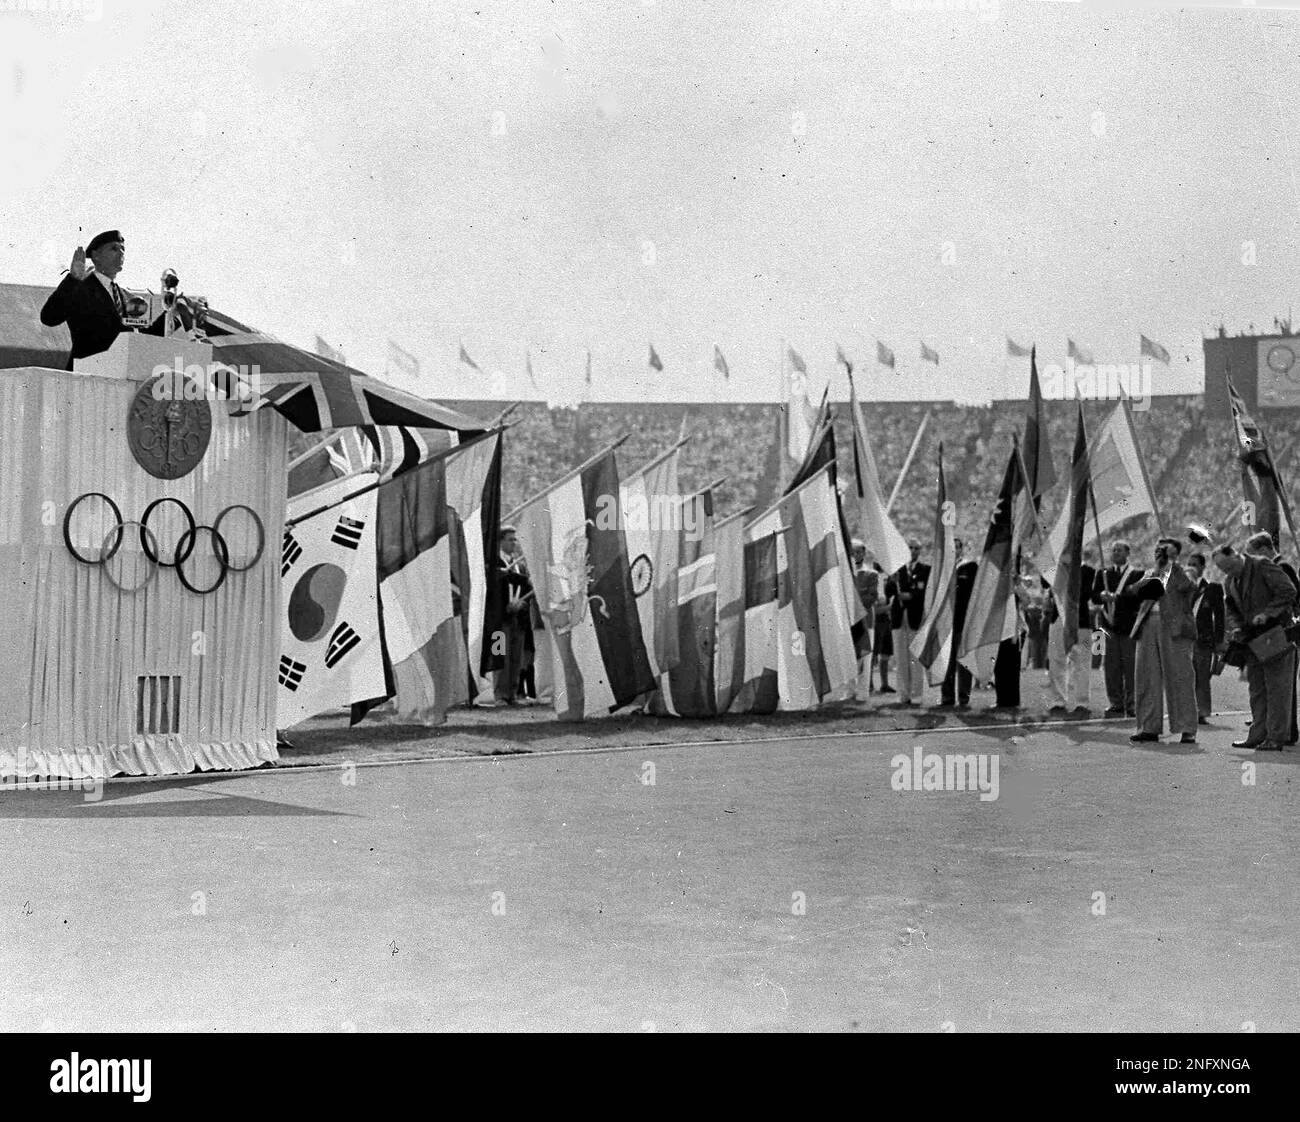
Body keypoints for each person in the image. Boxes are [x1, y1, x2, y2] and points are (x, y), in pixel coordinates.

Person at [1215, 543, 1298, 751]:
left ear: (1236, 554)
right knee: (1257, 690)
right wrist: (1236, 627)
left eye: (1229, 567)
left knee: (1278, 690)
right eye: (1223, 570)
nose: (1228, 572)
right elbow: (1231, 609)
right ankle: (1258, 734)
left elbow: (1288, 591)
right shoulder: (1229, 581)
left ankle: (1276, 737)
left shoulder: (1262, 565)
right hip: (1252, 642)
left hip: (1276, 637)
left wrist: (1268, 613)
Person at [1125, 538, 1198, 745]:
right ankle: (1148, 727)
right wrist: (1156, 571)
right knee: (1147, 677)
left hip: (1174, 628)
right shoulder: (1151, 572)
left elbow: (1188, 587)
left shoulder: (1184, 570)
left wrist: (1170, 566)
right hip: (1148, 624)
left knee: (1180, 678)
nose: (1159, 552)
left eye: (1164, 549)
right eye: (1157, 549)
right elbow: (1134, 590)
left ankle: (1186, 728)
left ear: (1175, 552)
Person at [39, 231, 135, 368]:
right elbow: (49, 317)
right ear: (96, 256)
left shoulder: (127, 297)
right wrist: (73, 279)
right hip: (85, 371)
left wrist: (175, 314)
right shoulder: (80, 287)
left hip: (117, 372)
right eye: (114, 248)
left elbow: (140, 337)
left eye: (123, 249)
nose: (121, 253)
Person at [1244, 530, 1299, 744]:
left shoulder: (1281, 566)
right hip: (1276, 633)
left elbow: (1292, 595)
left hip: (1282, 632)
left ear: (1265, 550)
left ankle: (1284, 732)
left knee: (1281, 688)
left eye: (1253, 554)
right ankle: (1285, 731)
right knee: (1278, 688)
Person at [1092, 539, 1145, 718]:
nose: (1116, 553)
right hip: (1109, 626)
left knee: (1130, 668)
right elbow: (1094, 596)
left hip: (1128, 626)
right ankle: (1116, 703)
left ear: (1127, 553)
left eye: (1119, 550)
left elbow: (1138, 597)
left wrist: (1117, 598)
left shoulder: (1137, 574)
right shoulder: (1103, 573)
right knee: (1111, 667)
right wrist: (1101, 595)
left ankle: (1132, 704)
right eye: (1113, 550)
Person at [1046, 549, 1097, 716]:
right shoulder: (1054, 570)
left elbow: (1085, 594)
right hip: (1057, 619)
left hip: (1079, 621)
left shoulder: (1088, 571)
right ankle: (1058, 700)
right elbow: (1044, 581)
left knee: (1081, 662)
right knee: (1056, 660)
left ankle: (1082, 702)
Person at [489, 525, 532, 706]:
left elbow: (527, 587)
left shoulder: (519, 565)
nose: (514, 543)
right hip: (500, 619)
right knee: (500, 656)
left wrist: (522, 603)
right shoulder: (494, 563)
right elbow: (501, 580)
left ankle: (512, 694)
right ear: (500, 541)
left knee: (516, 656)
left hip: (518, 617)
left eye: (515, 539)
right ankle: (500, 694)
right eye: (510, 539)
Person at [889, 537, 930, 706]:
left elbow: (924, 593)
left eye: (915, 548)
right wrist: (891, 582)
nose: (912, 551)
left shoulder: (925, 570)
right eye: (910, 547)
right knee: (901, 657)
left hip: (915, 617)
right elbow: (888, 591)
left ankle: (916, 694)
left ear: (919, 551)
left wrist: (911, 596)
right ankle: (903, 694)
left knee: (915, 658)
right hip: (899, 618)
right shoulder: (897, 570)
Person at [1186, 552, 1225, 724]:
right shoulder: (1182, 587)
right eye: (1189, 563)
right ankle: (1187, 710)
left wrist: (1219, 640)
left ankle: (1201, 712)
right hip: (1184, 638)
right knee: (1186, 675)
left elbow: (1220, 616)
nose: (1191, 567)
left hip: (1203, 639)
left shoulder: (1212, 588)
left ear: (1202, 567)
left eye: (1195, 564)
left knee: (1202, 676)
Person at [939, 537, 976, 708]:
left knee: (963, 662)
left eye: (957, 547)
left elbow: (974, 595)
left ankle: (963, 698)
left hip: (963, 621)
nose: (954, 549)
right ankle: (947, 698)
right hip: (946, 622)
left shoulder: (970, 567)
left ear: (961, 549)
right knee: (946, 662)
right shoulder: (942, 569)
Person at [850, 541, 880, 700]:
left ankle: (862, 693)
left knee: (865, 656)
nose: (856, 555)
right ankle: (849, 691)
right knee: (850, 656)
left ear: (863, 553)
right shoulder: (845, 573)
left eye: (858, 552)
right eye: (853, 552)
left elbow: (872, 596)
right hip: (849, 622)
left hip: (865, 621)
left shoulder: (871, 574)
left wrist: (855, 603)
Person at [870, 557, 894, 693]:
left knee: (886, 652)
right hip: (877, 619)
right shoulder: (872, 576)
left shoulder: (889, 577)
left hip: (887, 619)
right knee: (873, 653)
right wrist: (889, 607)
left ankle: (884, 684)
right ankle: (870, 684)